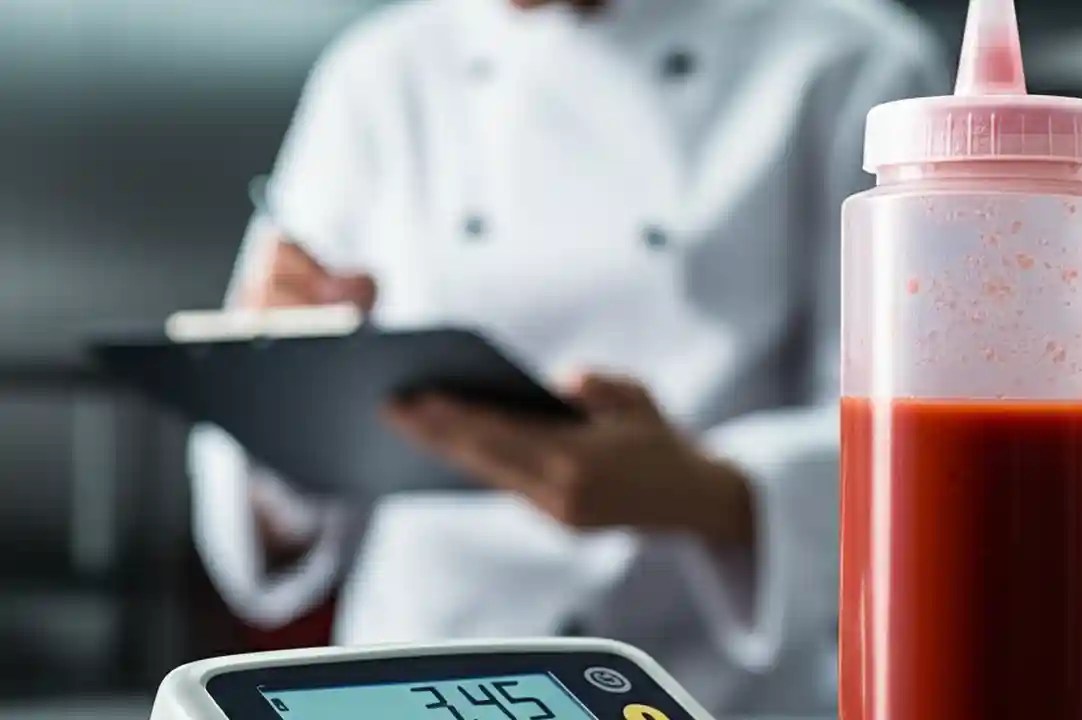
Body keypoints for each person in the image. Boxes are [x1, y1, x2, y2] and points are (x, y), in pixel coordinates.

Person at [190, 0, 943, 714]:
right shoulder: (376, 74)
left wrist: (709, 493)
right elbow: (265, 514)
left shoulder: (855, 60)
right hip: (414, 663)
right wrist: (283, 382)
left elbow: (918, 446)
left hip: (705, 691)